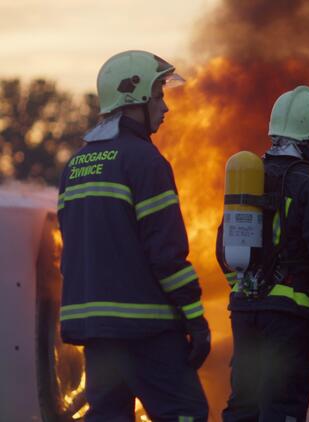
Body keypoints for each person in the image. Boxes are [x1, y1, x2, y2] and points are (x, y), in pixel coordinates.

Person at [57, 50, 210, 421]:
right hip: (146, 329)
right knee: (186, 412)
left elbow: (75, 250)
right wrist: (195, 319)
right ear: (136, 98)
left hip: (96, 335)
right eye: (159, 95)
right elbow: (166, 253)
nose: (165, 107)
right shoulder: (144, 160)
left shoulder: (75, 165)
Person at [218, 85, 309, 422]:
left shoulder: (248, 177)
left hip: (244, 309)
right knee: (282, 406)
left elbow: (224, 250)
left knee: (244, 405)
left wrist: (249, 289)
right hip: (289, 316)